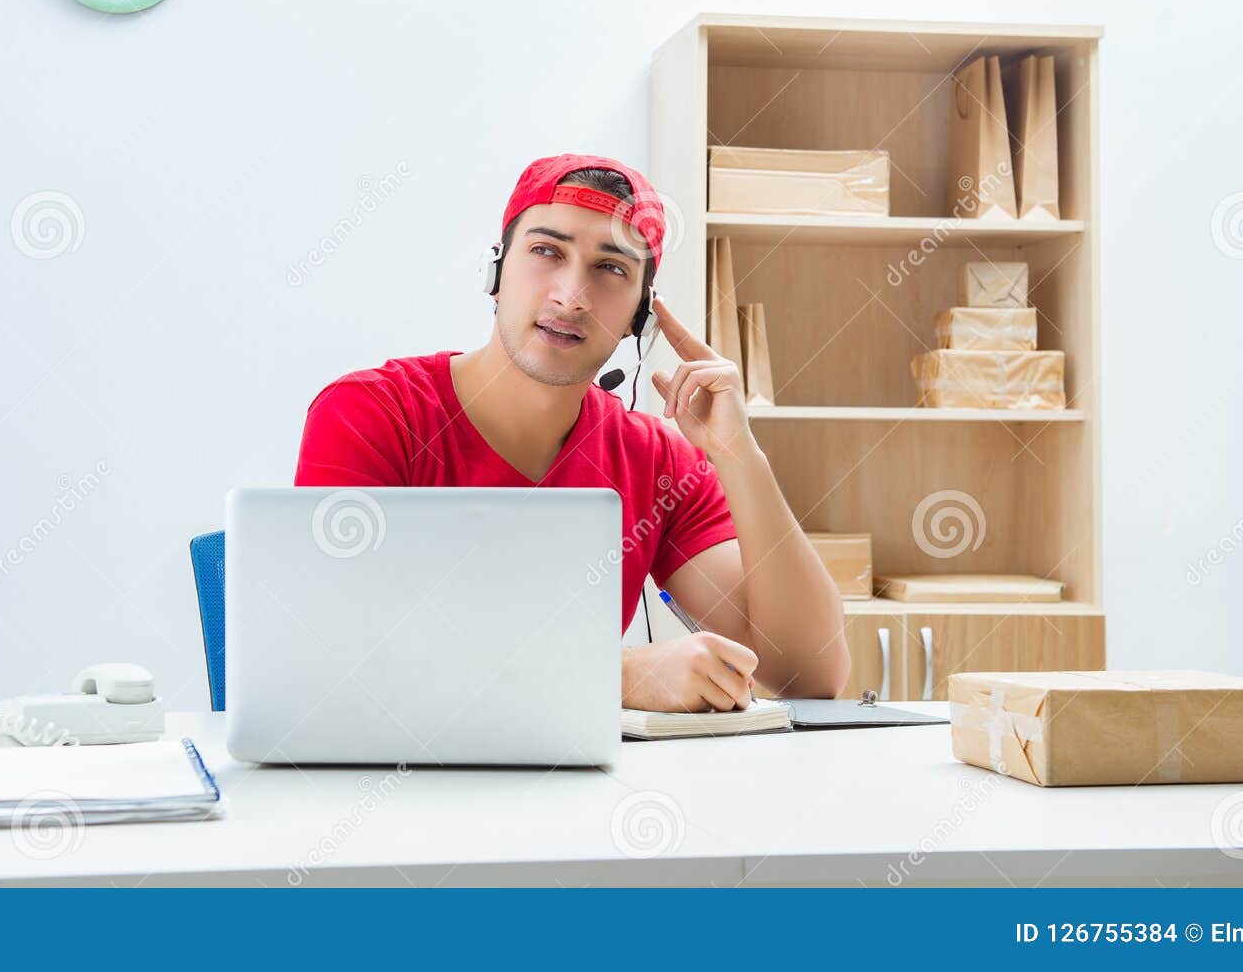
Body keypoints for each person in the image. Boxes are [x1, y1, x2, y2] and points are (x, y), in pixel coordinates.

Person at [294, 153, 849, 710]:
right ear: (496, 273)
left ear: (640, 317)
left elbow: (810, 675)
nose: (571, 295)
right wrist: (613, 675)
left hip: (579, 788)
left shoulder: (658, 462)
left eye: (611, 268)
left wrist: (740, 456)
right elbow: (333, 653)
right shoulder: (371, 414)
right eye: (546, 251)